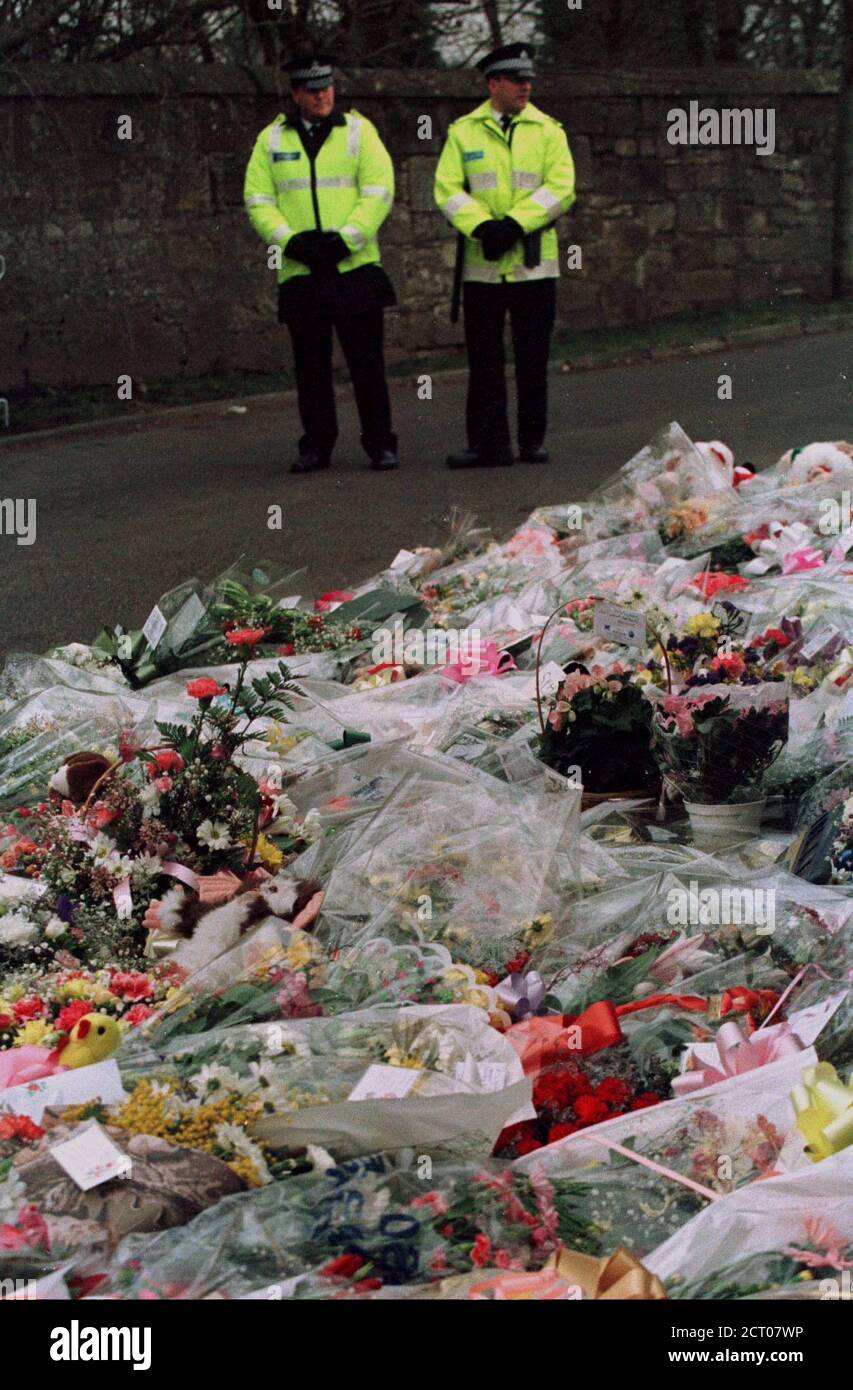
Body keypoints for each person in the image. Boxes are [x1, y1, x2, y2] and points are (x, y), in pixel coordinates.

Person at [244, 55, 399, 473]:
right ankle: (316, 446)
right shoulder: (270, 140)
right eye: (313, 90)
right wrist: (289, 242)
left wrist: (346, 239)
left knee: (367, 365)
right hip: (301, 270)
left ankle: (381, 443)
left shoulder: (360, 132)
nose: (322, 95)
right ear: (296, 94)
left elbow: (379, 190)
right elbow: (259, 201)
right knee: (310, 369)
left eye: (327, 87)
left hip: (354, 267)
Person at [434, 44, 576, 468]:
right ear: (492, 84)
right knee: (484, 361)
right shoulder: (464, 131)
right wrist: (481, 226)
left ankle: (532, 441)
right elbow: (446, 188)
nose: (525, 86)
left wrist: (514, 224)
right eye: (516, 80)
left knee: (532, 357)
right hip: (483, 267)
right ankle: (488, 444)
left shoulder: (549, 130)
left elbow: (562, 186)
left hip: (533, 265)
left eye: (528, 79)